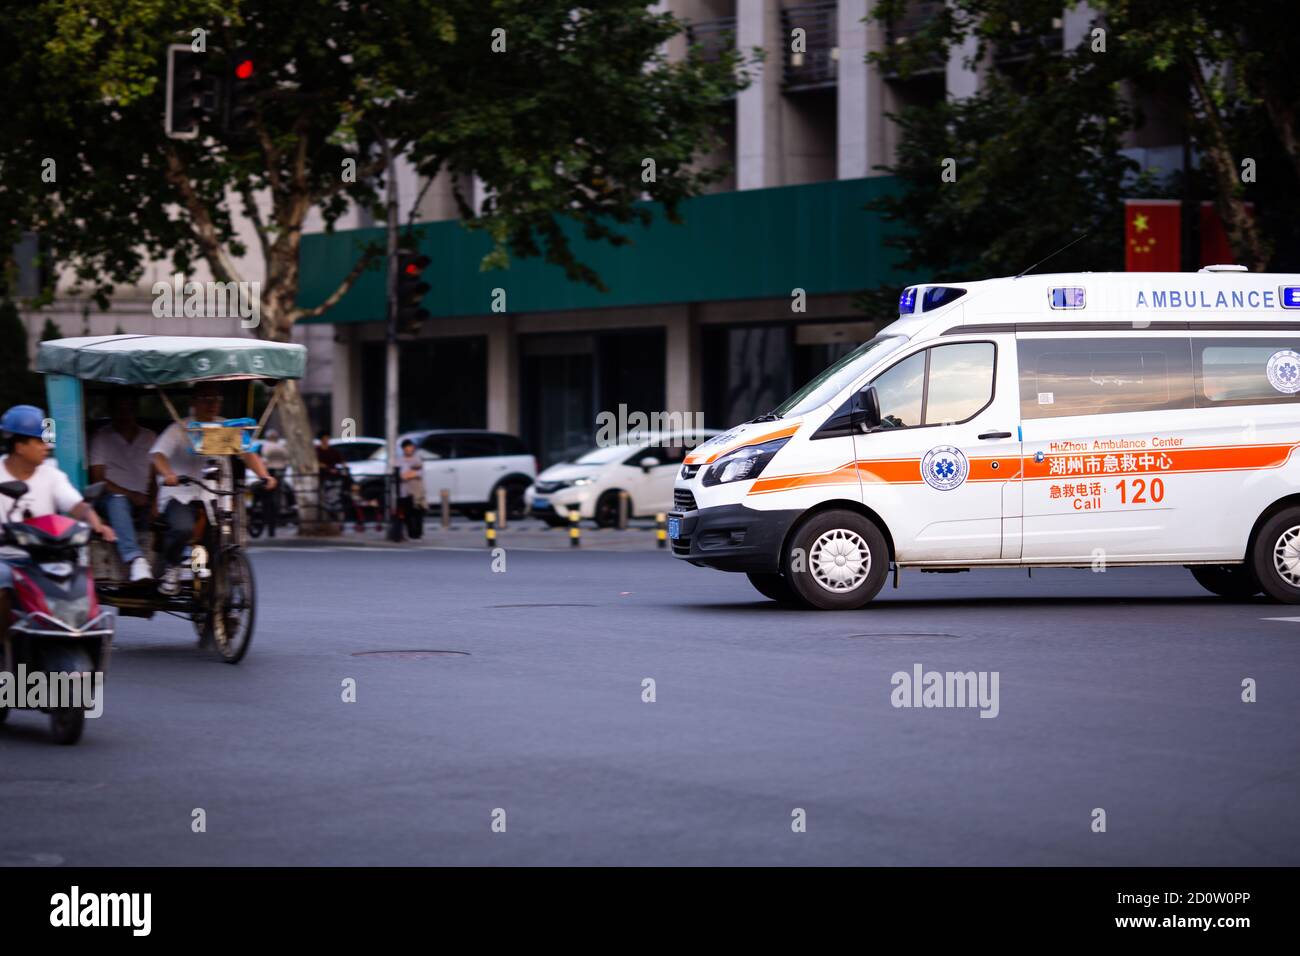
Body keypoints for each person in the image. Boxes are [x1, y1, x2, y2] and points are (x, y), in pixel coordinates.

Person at [0, 405, 116, 642]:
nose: (46, 447)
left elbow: (77, 505)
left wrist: (97, 524)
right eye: (39, 441)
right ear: (20, 446)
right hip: (6, 556)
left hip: (46, 556)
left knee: (80, 580)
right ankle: (4, 642)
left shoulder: (51, 475)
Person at [150, 383, 276, 595]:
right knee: (182, 528)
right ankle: (172, 568)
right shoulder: (180, 429)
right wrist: (168, 475)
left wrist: (265, 475)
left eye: (216, 398)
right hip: (182, 493)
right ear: (193, 402)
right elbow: (158, 455)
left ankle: (207, 580)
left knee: (219, 539)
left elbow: (247, 454)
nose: (212, 404)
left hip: (215, 495)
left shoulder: (227, 428)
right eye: (206, 398)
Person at [89, 391, 157, 582]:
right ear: (112, 411)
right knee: (118, 501)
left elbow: (155, 476)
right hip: (110, 498)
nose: (124, 413)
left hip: (144, 499)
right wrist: (130, 495)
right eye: (120, 409)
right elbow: (98, 479)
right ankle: (135, 559)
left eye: (129, 408)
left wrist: (155, 502)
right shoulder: (101, 437)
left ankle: (177, 567)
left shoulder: (150, 437)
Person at [258, 428, 290, 537]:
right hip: (279, 474)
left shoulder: (265, 446)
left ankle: (266, 521)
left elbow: (263, 459)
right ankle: (273, 524)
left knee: (267, 499)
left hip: (268, 473)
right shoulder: (281, 447)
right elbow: (287, 459)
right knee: (276, 498)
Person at [396, 439, 426, 539]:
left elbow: (419, 473)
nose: (409, 450)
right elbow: (400, 475)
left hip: (416, 490)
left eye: (410, 447)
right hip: (404, 491)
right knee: (407, 513)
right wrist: (409, 474)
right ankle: (411, 533)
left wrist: (409, 475)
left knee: (418, 512)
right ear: (403, 449)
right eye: (406, 448)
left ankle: (418, 533)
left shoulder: (417, 460)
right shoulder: (399, 460)